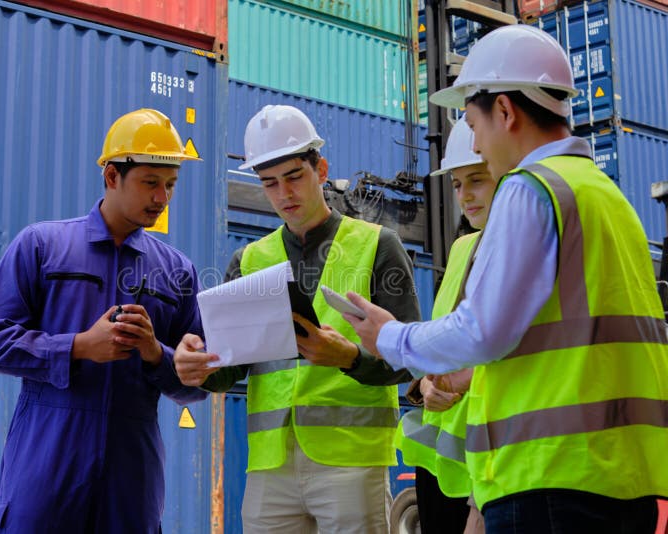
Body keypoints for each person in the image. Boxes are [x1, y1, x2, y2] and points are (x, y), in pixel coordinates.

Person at [345, 25, 668, 534]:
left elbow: (483, 330)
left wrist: (389, 337)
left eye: (473, 123)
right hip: (624, 479)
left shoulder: (530, 187)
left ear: (505, 112)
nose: (474, 143)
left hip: (549, 478)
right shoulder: (607, 196)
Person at [174, 104, 421, 533]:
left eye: (294, 177)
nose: (283, 194)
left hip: (352, 462)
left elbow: (410, 361)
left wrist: (349, 357)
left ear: (320, 169)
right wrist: (195, 366)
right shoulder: (248, 260)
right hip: (270, 468)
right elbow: (227, 369)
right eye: (270, 183)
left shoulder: (379, 246)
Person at [0, 108, 209, 533]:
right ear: (112, 177)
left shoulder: (176, 272)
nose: (162, 198)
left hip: (132, 472)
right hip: (47, 458)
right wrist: (79, 346)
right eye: (150, 183)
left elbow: (196, 384)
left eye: (171, 185)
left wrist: (156, 354)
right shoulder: (42, 246)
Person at [397, 118, 490, 534]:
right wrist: (426, 386)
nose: (465, 196)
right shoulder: (461, 247)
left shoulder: (529, 245)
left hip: (487, 455)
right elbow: (442, 339)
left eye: (477, 180)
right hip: (438, 458)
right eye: (456, 184)